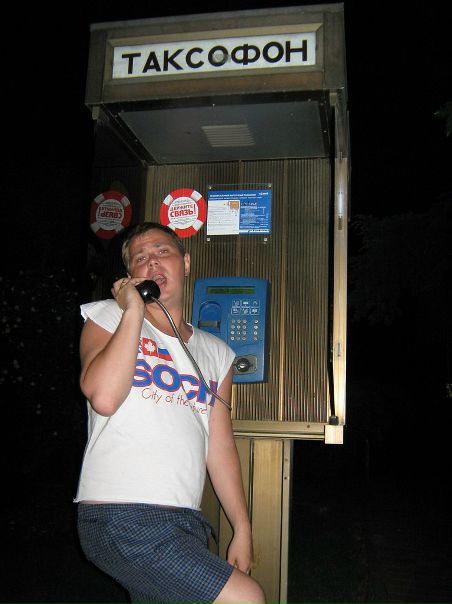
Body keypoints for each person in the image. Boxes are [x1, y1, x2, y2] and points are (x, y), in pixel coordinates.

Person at [75, 221, 266, 604]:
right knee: (246, 597)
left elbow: (220, 446)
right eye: (140, 258)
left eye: (162, 252)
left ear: (186, 263)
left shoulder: (217, 353)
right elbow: (104, 397)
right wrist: (133, 309)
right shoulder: (108, 318)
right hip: (121, 512)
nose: (152, 262)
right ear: (131, 275)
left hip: (185, 517)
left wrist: (241, 527)